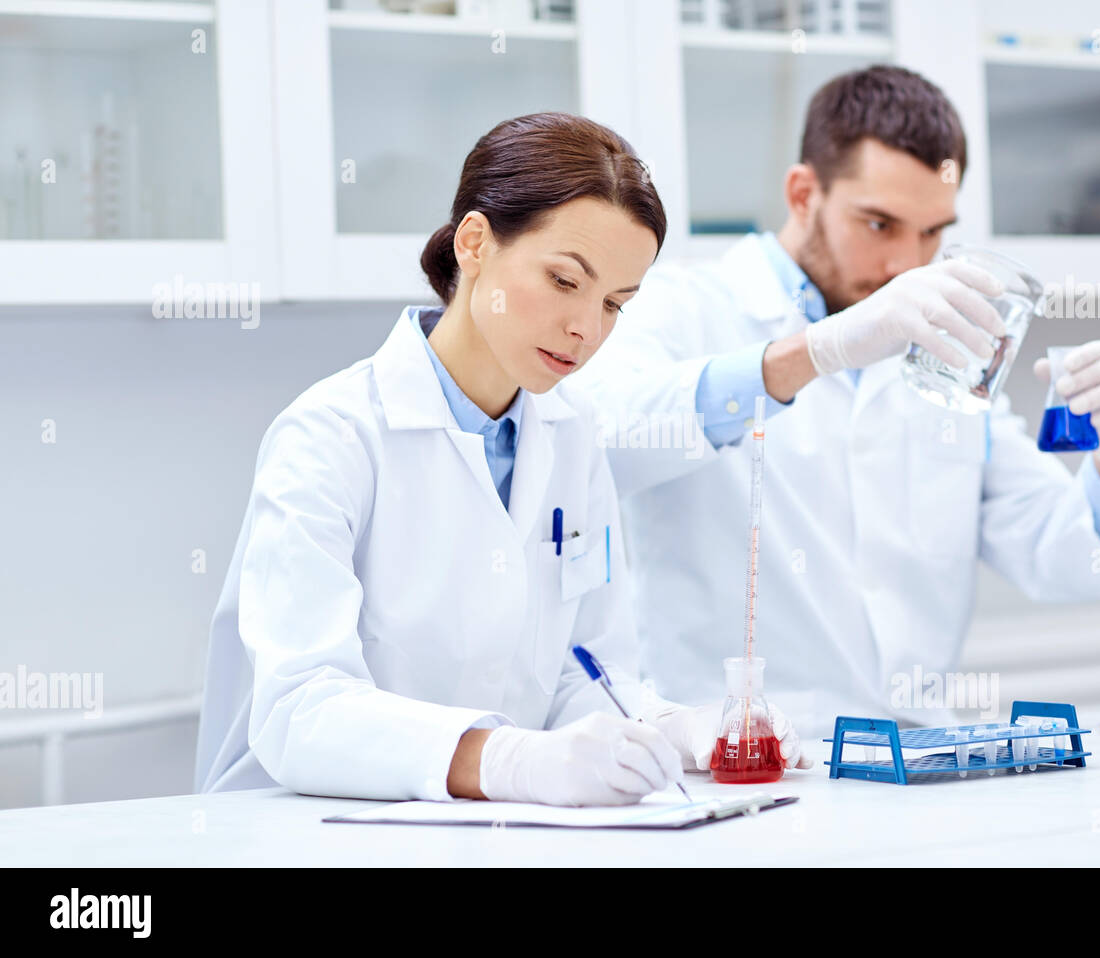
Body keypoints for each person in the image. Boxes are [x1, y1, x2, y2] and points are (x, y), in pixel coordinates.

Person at [193, 112, 811, 807]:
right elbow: (300, 711)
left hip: (484, 836)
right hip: (302, 833)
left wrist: (669, 728)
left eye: (615, 303)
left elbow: (586, 670)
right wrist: (513, 760)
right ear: (475, 243)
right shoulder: (329, 437)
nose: (587, 328)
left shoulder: (572, 436)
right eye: (563, 280)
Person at [572, 66, 1100, 735]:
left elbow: (1068, 563)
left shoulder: (948, 357)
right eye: (879, 224)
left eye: (933, 231)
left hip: (916, 761)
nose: (907, 264)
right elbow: (598, 441)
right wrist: (814, 353)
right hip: (734, 764)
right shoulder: (684, 308)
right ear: (803, 194)